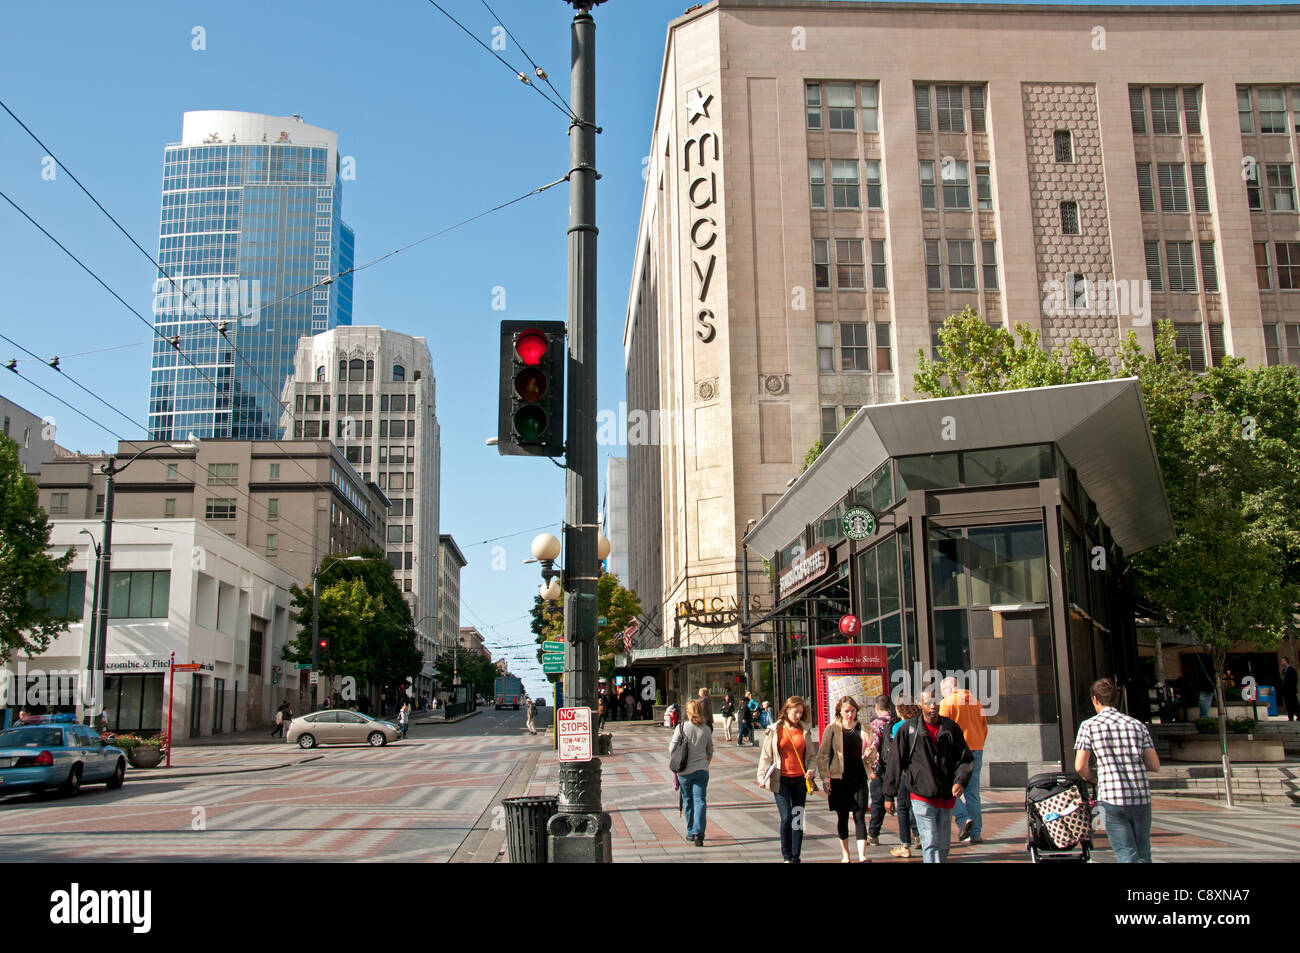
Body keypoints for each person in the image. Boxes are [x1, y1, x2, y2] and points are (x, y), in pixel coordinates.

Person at [1074, 677, 1160, 863]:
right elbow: (1154, 764)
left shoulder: (1089, 726)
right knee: (1143, 853)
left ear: (1095, 700)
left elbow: (1080, 766)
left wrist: (1093, 779)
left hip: (1111, 797)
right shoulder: (1137, 725)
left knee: (1125, 854)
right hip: (1140, 797)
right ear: (1115, 699)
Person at [884, 690, 974, 864]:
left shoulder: (950, 728)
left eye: (936, 702)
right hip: (921, 795)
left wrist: (960, 782)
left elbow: (965, 759)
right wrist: (889, 795)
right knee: (930, 841)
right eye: (929, 702)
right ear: (920, 704)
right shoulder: (908, 730)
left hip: (946, 796)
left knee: (943, 845)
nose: (933, 706)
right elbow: (895, 761)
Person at [756, 695, 818, 863]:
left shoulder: (805, 730)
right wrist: (761, 777)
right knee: (786, 818)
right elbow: (766, 755)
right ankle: (786, 855)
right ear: (787, 710)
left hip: (800, 780)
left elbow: (812, 756)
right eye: (795, 712)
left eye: (801, 713)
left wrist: (811, 770)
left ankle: (796, 856)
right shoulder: (775, 729)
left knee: (798, 816)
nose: (798, 716)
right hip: (781, 778)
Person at [816, 695, 877, 863]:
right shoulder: (833, 729)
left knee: (859, 815)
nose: (850, 714)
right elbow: (823, 754)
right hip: (838, 779)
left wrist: (871, 755)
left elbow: (872, 757)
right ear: (840, 712)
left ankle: (862, 855)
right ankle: (845, 854)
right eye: (846, 711)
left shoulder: (864, 728)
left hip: (859, 778)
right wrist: (825, 779)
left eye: (852, 710)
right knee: (842, 816)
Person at [940, 675, 988, 845]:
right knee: (973, 792)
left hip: (957, 752)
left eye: (942, 692)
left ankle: (963, 820)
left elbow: (941, 730)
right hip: (976, 748)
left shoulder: (947, 703)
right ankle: (976, 833)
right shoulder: (976, 701)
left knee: (949, 788)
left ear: (948, 689)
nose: (942, 696)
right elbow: (984, 727)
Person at [669, 699, 714, 846]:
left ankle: (690, 832)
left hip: (684, 771)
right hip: (701, 770)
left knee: (688, 800)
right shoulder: (706, 729)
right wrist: (704, 763)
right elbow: (710, 751)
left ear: (687, 712)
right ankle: (698, 833)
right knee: (700, 800)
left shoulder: (681, 728)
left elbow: (671, 748)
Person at [887, 697, 922, 857]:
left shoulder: (898, 727)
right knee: (917, 804)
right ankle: (919, 835)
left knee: (902, 806)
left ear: (900, 709)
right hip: (919, 771)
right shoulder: (921, 724)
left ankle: (904, 843)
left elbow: (896, 753)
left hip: (903, 771)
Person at [866, 694, 897, 847]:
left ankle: (873, 834)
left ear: (877, 708)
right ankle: (915, 834)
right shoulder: (897, 722)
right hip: (896, 768)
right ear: (890, 707)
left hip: (880, 768)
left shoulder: (876, 724)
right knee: (905, 803)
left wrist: (870, 764)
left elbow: (874, 746)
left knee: (877, 802)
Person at [1282, 657, 1299, 722]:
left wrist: (1291, 688)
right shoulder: (1284, 670)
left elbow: (1294, 680)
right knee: (1288, 704)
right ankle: (1290, 717)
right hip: (1285, 691)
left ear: (1286, 661)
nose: (1282, 663)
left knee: (1294, 704)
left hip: (1291, 690)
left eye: (1283, 661)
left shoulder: (1291, 669)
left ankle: (1299, 715)